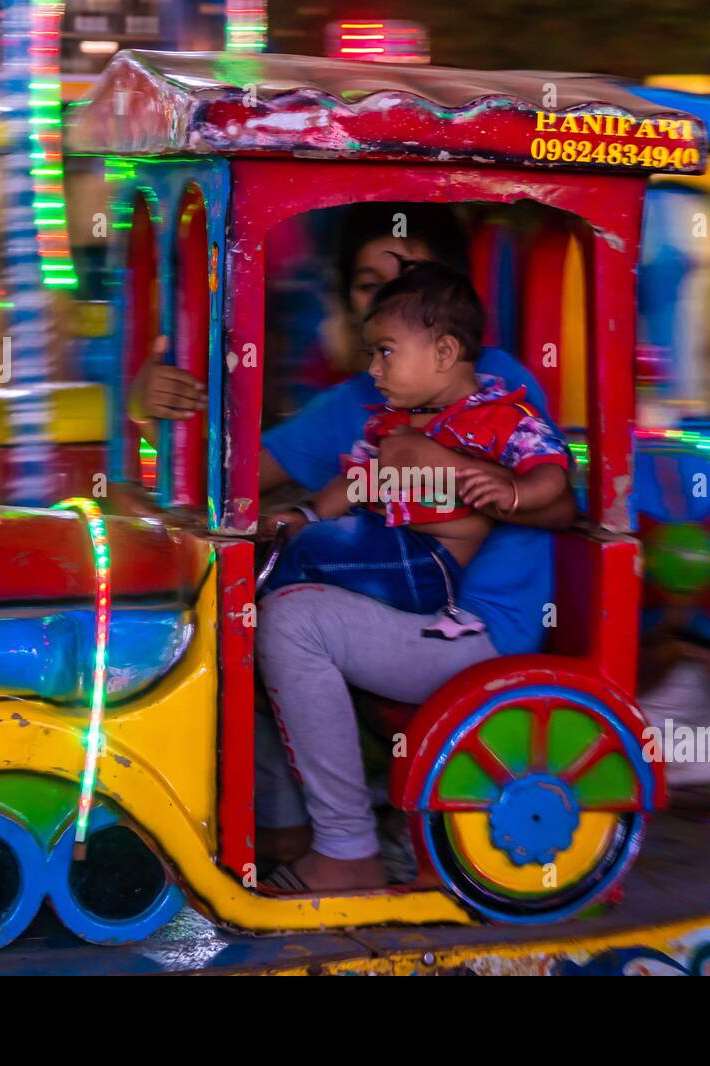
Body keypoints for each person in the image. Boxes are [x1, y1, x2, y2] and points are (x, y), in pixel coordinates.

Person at [130, 202, 575, 890]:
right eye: (371, 286)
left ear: (448, 324)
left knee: (287, 618)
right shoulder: (361, 403)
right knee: (238, 593)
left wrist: (461, 476)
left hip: (482, 628)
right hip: (405, 613)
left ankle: (345, 850)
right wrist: (150, 410)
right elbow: (229, 475)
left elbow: (563, 501)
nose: (390, 303)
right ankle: (277, 817)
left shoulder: (501, 383)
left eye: (410, 280)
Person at [263, 260, 570, 622]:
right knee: (299, 544)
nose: (375, 369)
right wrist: (307, 515)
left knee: (309, 552)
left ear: (444, 353)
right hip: (385, 543)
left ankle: (252, 627)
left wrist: (515, 493)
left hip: (430, 564)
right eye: (372, 355)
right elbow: (356, 483)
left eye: (386, 352)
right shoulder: (391, 425)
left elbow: (551, 472)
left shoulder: (501, 417)